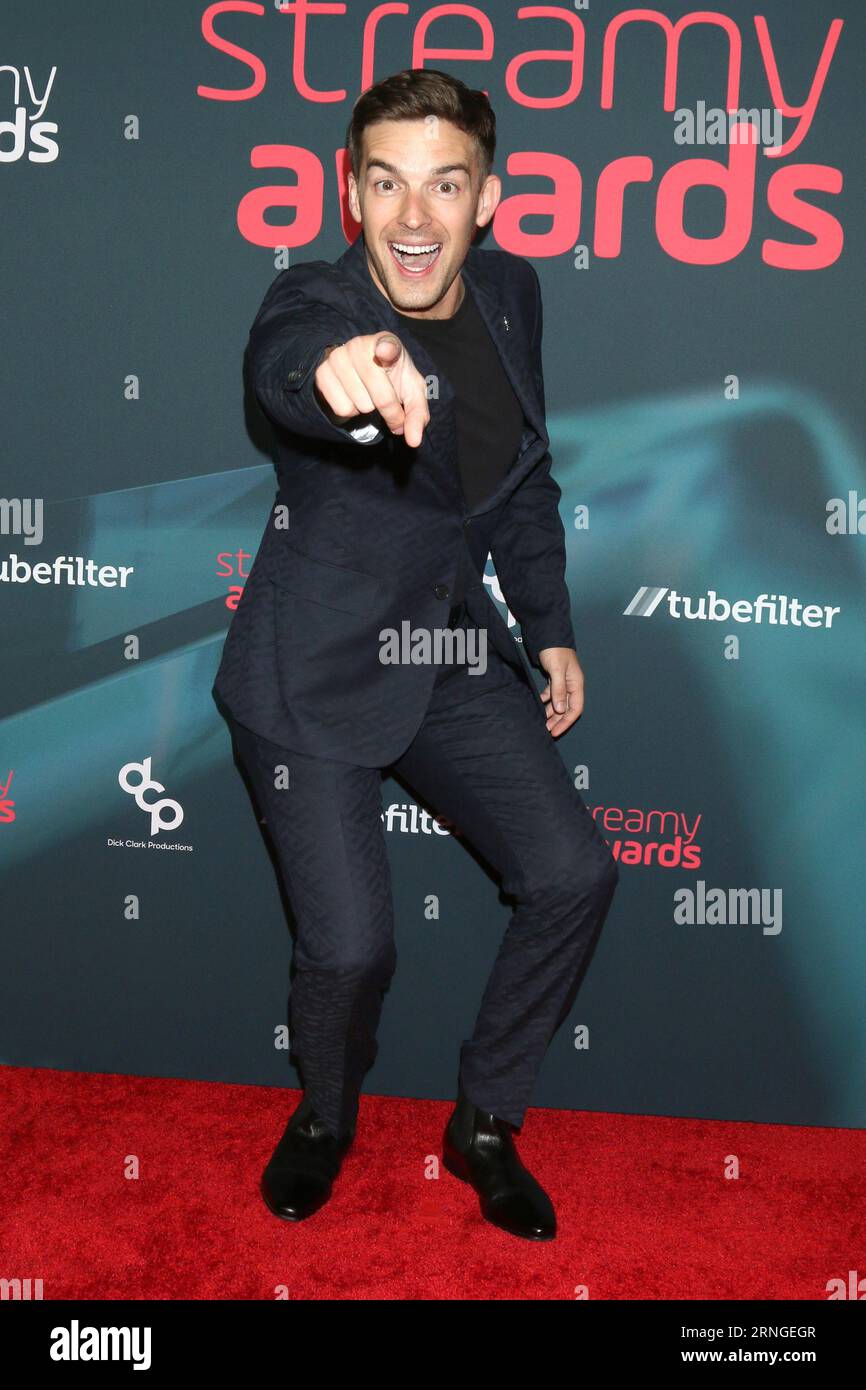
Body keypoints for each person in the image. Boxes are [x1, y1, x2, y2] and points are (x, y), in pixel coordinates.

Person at [212, 67, 619, 1241]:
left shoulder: (510, 294)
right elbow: (289, 363)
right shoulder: (314, 303)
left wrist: (547, 629)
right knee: (349, 951)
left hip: (443, 651)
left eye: (445, 185)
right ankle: (326, 1118)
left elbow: (523, 477)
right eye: (385, 182)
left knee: (574, 874)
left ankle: (484, 1121)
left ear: (485, 198)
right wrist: (339, 375)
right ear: (350, 191)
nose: (412, 217)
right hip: (310, 673)